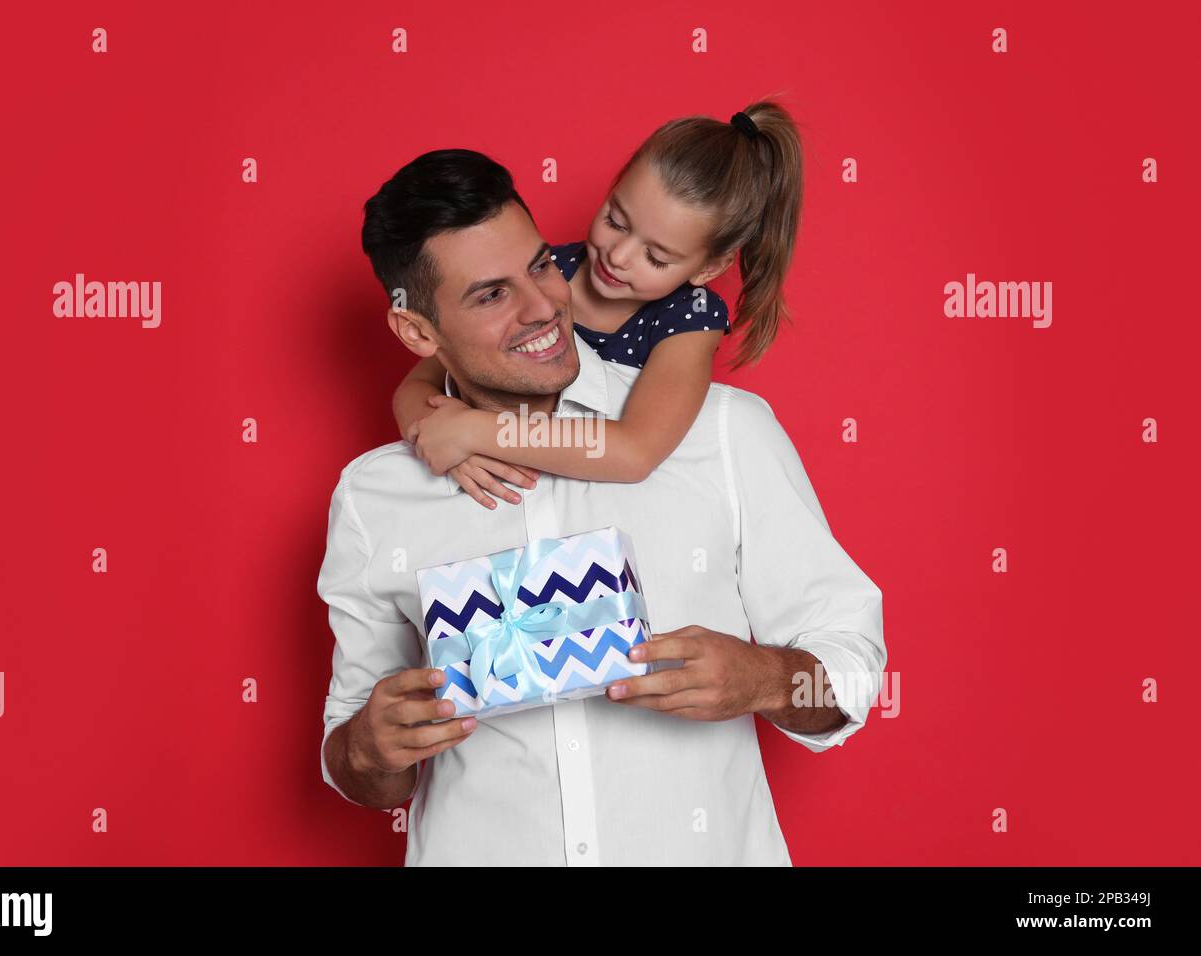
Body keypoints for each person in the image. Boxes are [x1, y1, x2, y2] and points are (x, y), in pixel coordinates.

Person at [317, 148, 885, 865]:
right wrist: (369, 748)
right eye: (491, 296)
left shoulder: (722, 432)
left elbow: (855, 671)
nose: (543, 307)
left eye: (541, 265)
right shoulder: (375, 497)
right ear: (418, 333)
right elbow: (354, 760)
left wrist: (765, 679)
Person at [390, 100, 802, 508]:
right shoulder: (544, 276)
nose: (618, 256)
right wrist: (437, 438)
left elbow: (635, 451)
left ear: (709, 267)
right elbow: (416, 385)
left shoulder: (690, 317)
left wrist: (476, 432)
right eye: (615, 221)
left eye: (655, 257)